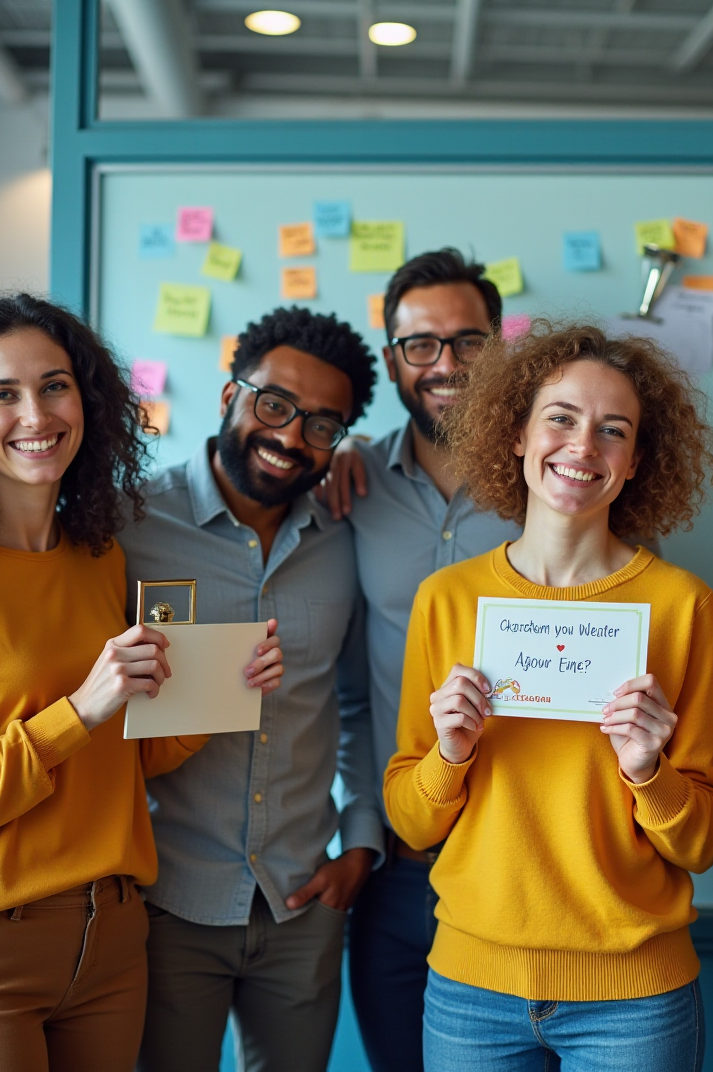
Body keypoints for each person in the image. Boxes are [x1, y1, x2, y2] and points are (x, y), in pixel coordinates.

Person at [0, 294, 280, 1071]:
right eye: (2, 394)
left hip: (112, 941)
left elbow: (118, 762)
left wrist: (224, 690)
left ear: (88, 400)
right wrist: (78, 709)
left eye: (55, 386)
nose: (36, 414)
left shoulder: (98, 557)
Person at [384, 323, 713, 1072]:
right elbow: (410, 821)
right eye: (562, 418)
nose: (583, 446)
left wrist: (648, 771)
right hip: (471, 991)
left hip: (635, 999)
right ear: (517, 434)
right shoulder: (446, 599)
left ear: (636, 461)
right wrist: (450, 754)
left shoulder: (683, 607)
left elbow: (705, 843)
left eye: (614, 430)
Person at [121, 307, 381, 1072]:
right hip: (167, 901)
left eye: (322, 425)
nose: (290, 436)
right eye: (274, 404)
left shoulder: (348, 535)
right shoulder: (128, 527)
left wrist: (360, 842)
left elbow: (358, 705)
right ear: (230, 394)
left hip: (304, 901)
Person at [319, 249, 524, 1072]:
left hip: (522, 865)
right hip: (398, 868)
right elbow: (345, 692)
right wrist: (363, 832)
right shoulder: (349, 482)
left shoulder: (553, 474)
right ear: (393, 357)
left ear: (499, 345)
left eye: (468, 341)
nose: (446, 364)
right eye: (421, 345)